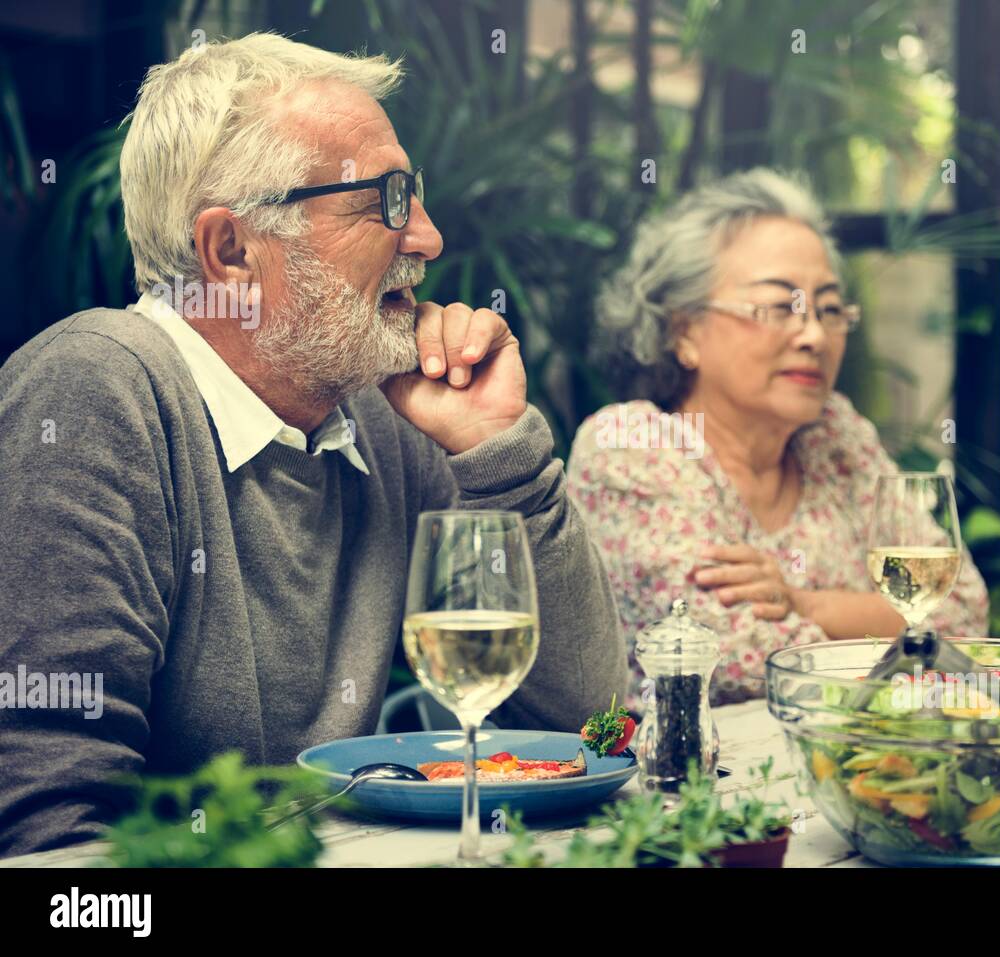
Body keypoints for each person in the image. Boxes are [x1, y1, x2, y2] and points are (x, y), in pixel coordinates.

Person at [0, 34, 624, 857]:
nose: (430, 239)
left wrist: (497, 452)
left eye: (418, 195)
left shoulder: (383, 414)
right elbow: (53, 843)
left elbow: (587, 728)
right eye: (384, 201)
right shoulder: (95, 391)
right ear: (231, 252)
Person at [566, 169, 989, 705]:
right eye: (775, 306)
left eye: (830, 310)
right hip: (694, 779)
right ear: (683, 331)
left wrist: (803, 603)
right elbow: (737, 659)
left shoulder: (836, 436)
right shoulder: (630, 448)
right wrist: (894, 634)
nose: (813, 335)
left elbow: (962, 610)